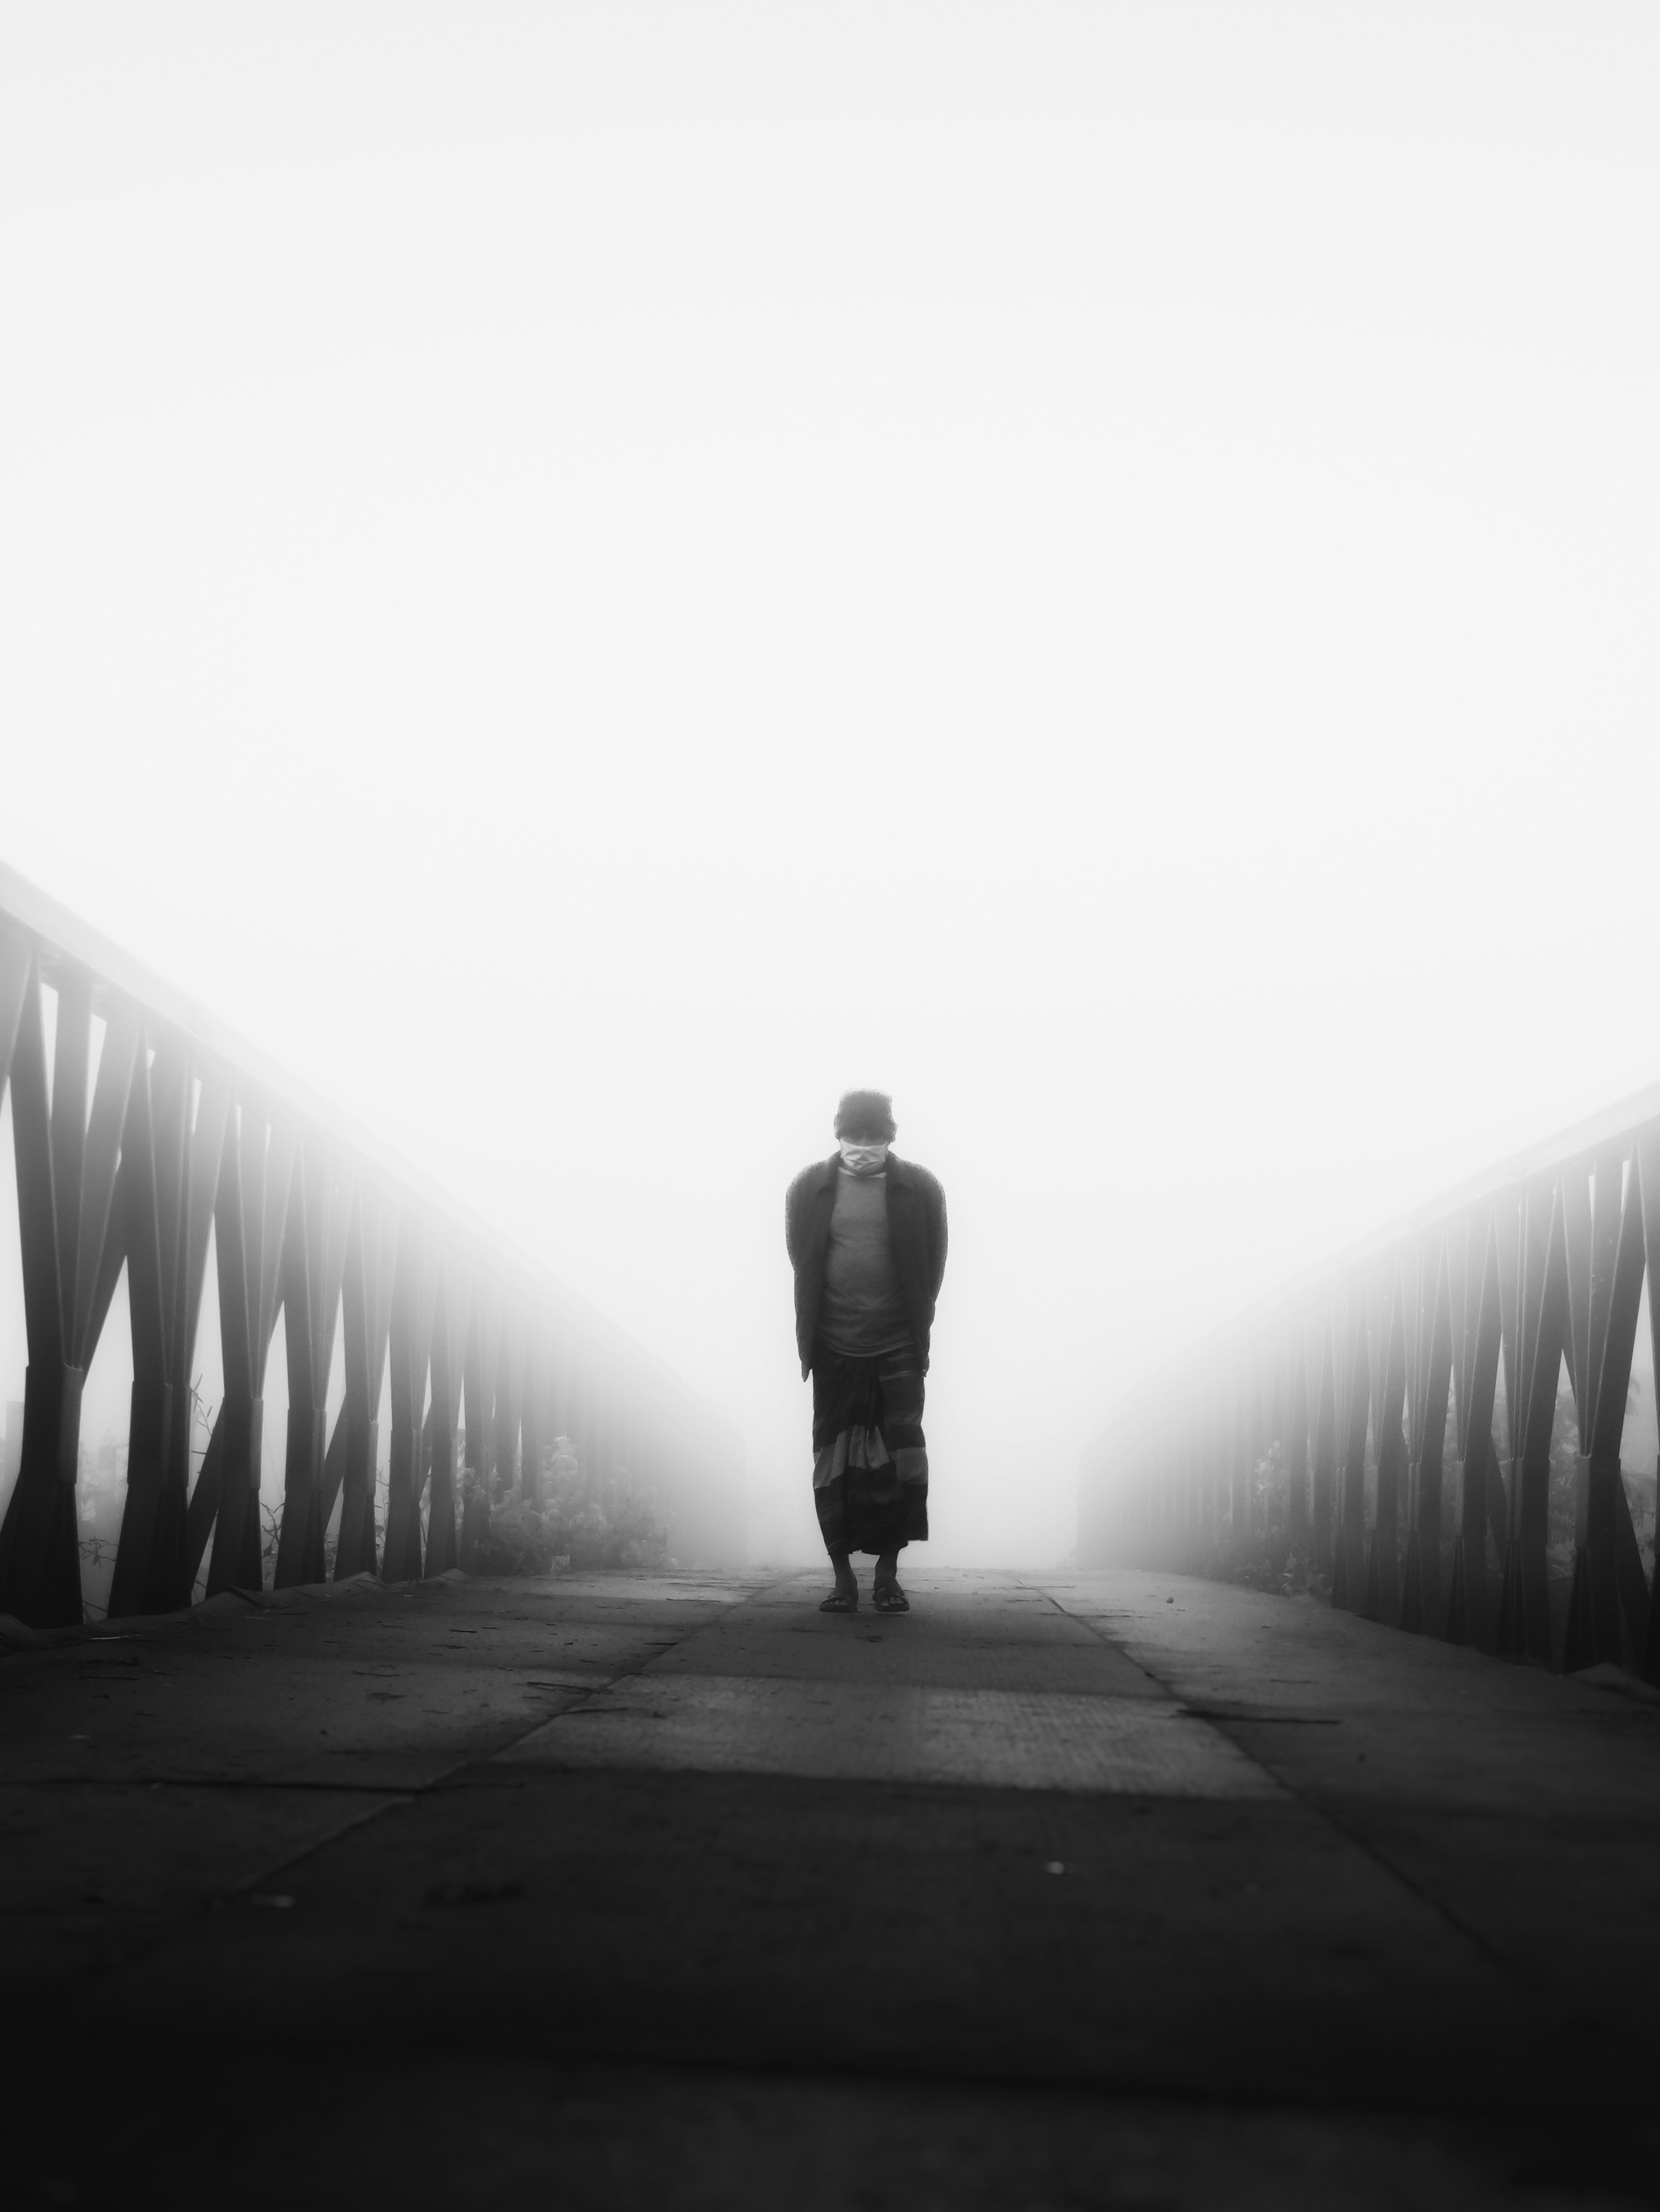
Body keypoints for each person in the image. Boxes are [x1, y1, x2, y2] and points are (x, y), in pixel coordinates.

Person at [784, 1090, 947, 1614]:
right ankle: (841, 1579)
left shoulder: (919, 1188)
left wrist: (913, 1322)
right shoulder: (808, 1188)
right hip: (833, 1345)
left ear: (890, 1137)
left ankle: (887, 1575)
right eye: (854, 1137)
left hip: (897, 1341)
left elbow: (934, 1263)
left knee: (902, 1456)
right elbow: (801, 1260)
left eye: (874, 1138)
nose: (863, 1148)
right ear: (838, 1134)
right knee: (833, 1460)